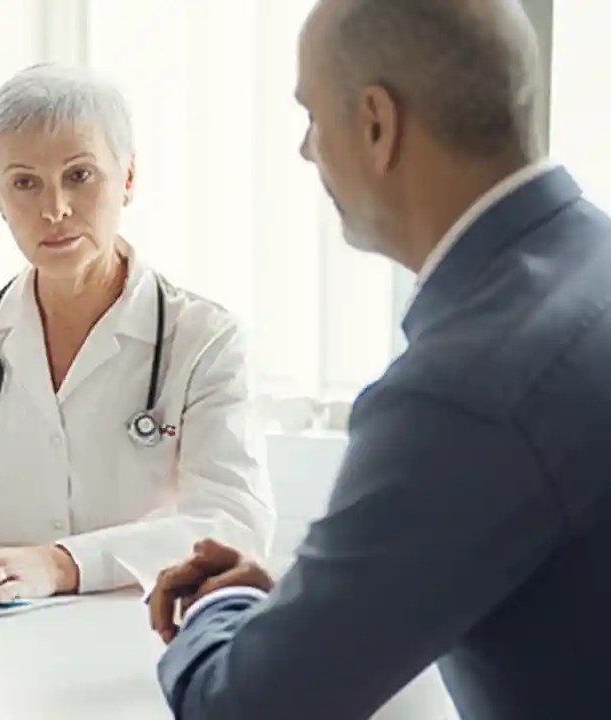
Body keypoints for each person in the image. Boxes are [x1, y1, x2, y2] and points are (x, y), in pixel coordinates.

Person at [148, 1, 611, 718]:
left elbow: (247, 709)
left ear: (375, 124)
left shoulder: (464, 389)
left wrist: (223, 609)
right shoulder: (590, 271)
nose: (307, 151)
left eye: (311, 115)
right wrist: (314, 614)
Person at [0, 63, 275, 604]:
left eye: (80, 176)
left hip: (144, 639)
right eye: (25, 183)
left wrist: (61, 563)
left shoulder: (205, 340)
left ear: (128, 178)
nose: (54, 209)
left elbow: (233, 523)